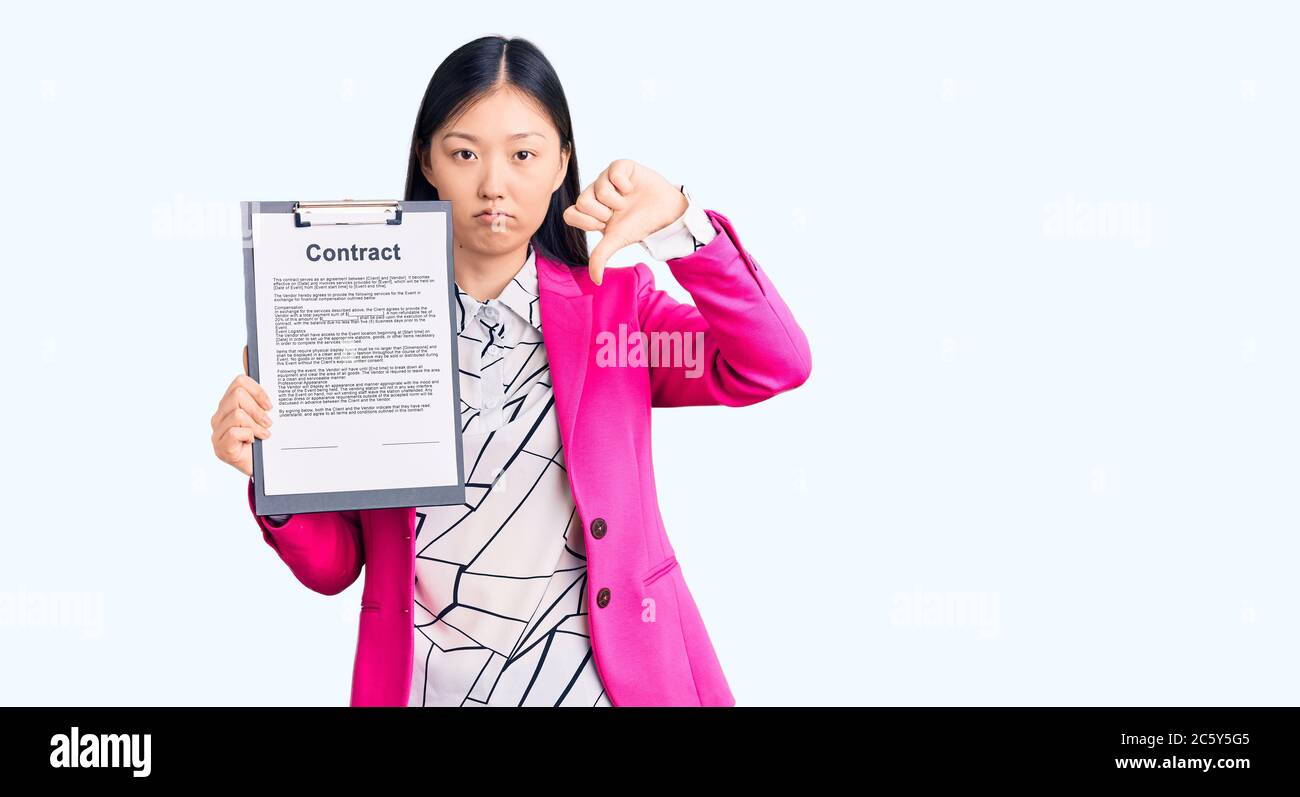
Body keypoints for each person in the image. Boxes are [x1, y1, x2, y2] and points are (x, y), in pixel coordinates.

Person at [210, 35, 811, 706]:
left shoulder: (618, 314)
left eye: (523, 154)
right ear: (427, 161)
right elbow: (335, 567)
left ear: (561, 164)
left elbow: (772, 362)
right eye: (464, 153)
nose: (493, 184)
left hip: (604, 688)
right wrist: (270, 470)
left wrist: (681, 226)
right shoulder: (361, 325)